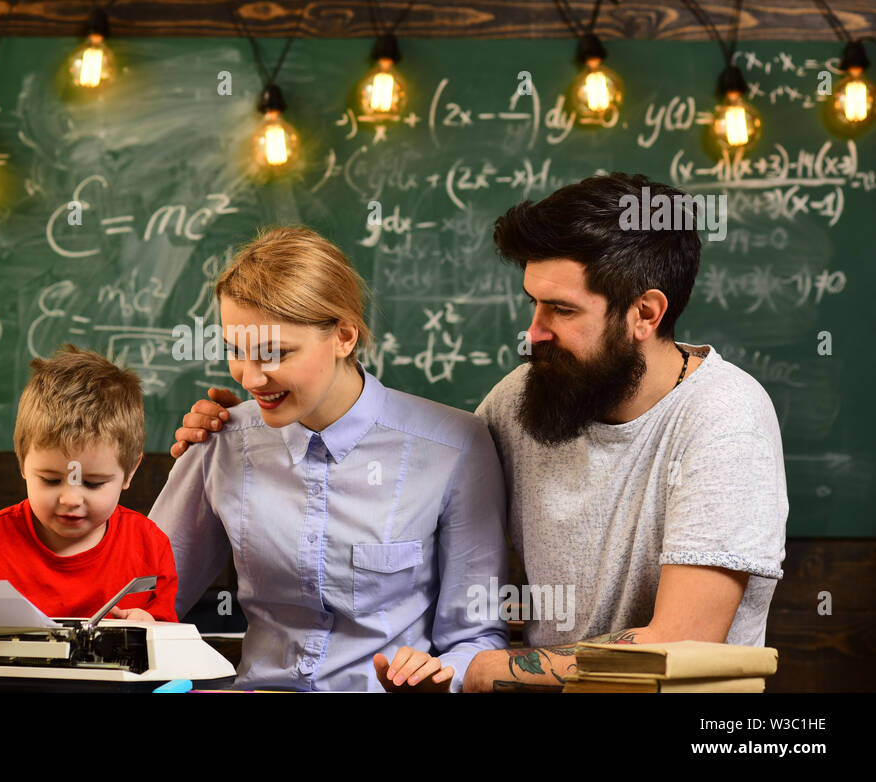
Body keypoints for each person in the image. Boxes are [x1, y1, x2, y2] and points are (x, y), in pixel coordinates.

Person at [173, 174, 788, 692]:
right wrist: (252, 414)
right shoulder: (521, 400)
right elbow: (412, 457)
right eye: (533, 303)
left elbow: (679, 642)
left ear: (645, 314)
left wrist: (481, 667)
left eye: (562, 311)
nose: (533, 332)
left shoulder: (725, 419)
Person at [149, 226, 508, 692]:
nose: (251, 378)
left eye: (274, 352)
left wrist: (441, 673)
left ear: (343, 336)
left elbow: (477, 636)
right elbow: (148, 598)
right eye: (235, 351)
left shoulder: (455, 446)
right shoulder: (221, 440)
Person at [0, 344, 177, 623]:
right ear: (22, 463)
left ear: (129, 472)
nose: (70, 499)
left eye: (93, 484)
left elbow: (171, 644)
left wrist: (150, 627)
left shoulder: (149, 546)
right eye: (51, 480)